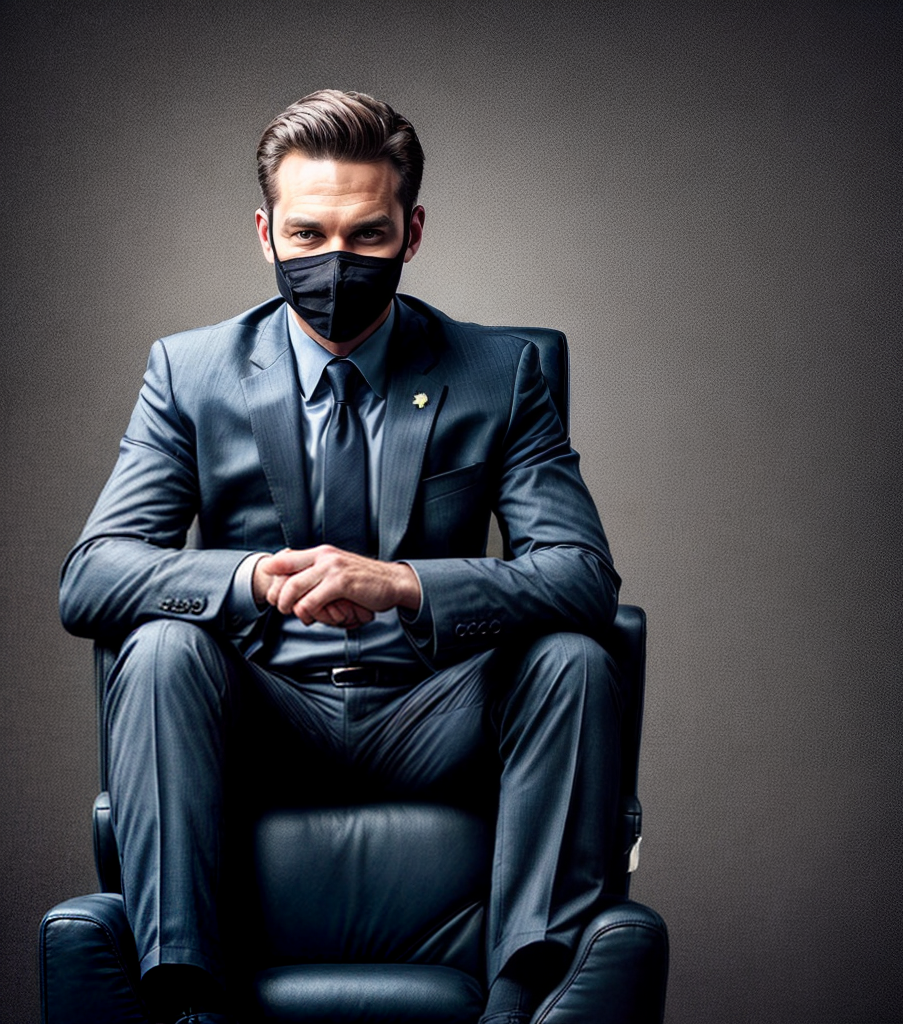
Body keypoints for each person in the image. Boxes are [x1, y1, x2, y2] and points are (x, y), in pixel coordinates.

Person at [60, 89, 622, 1024]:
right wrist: (248, 579)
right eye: (308, 233)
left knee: (574, 659)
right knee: (159, 650)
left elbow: (582, 576)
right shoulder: (189, 373)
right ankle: (188, 1002)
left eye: (366, 235)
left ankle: (523, 999)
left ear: (412, 232)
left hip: (433, 711)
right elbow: (92, 575)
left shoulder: (499, 373)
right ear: (265, 234)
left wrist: (402, 584)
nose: (335, 260)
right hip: (264, 710)